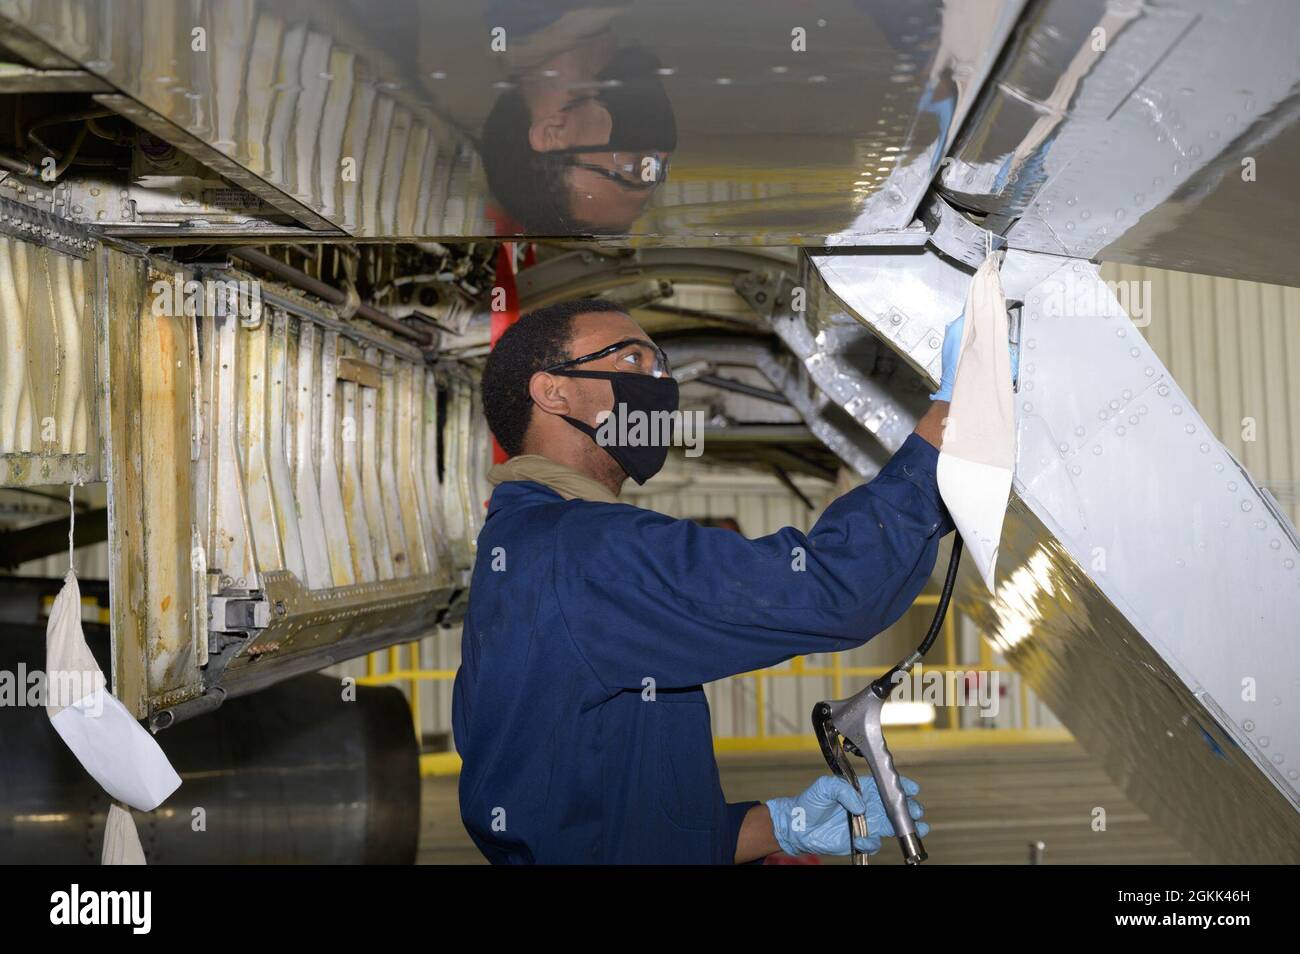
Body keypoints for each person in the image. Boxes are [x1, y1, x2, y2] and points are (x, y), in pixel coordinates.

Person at [452, 297, 954, 863]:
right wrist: (944, 432)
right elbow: (833, 589)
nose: (660, 383)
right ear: (554, 392)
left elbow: (602, 823)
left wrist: (778, 825)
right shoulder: (583, 548)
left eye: (662, 365)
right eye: (634, 362)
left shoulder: (520, 546)